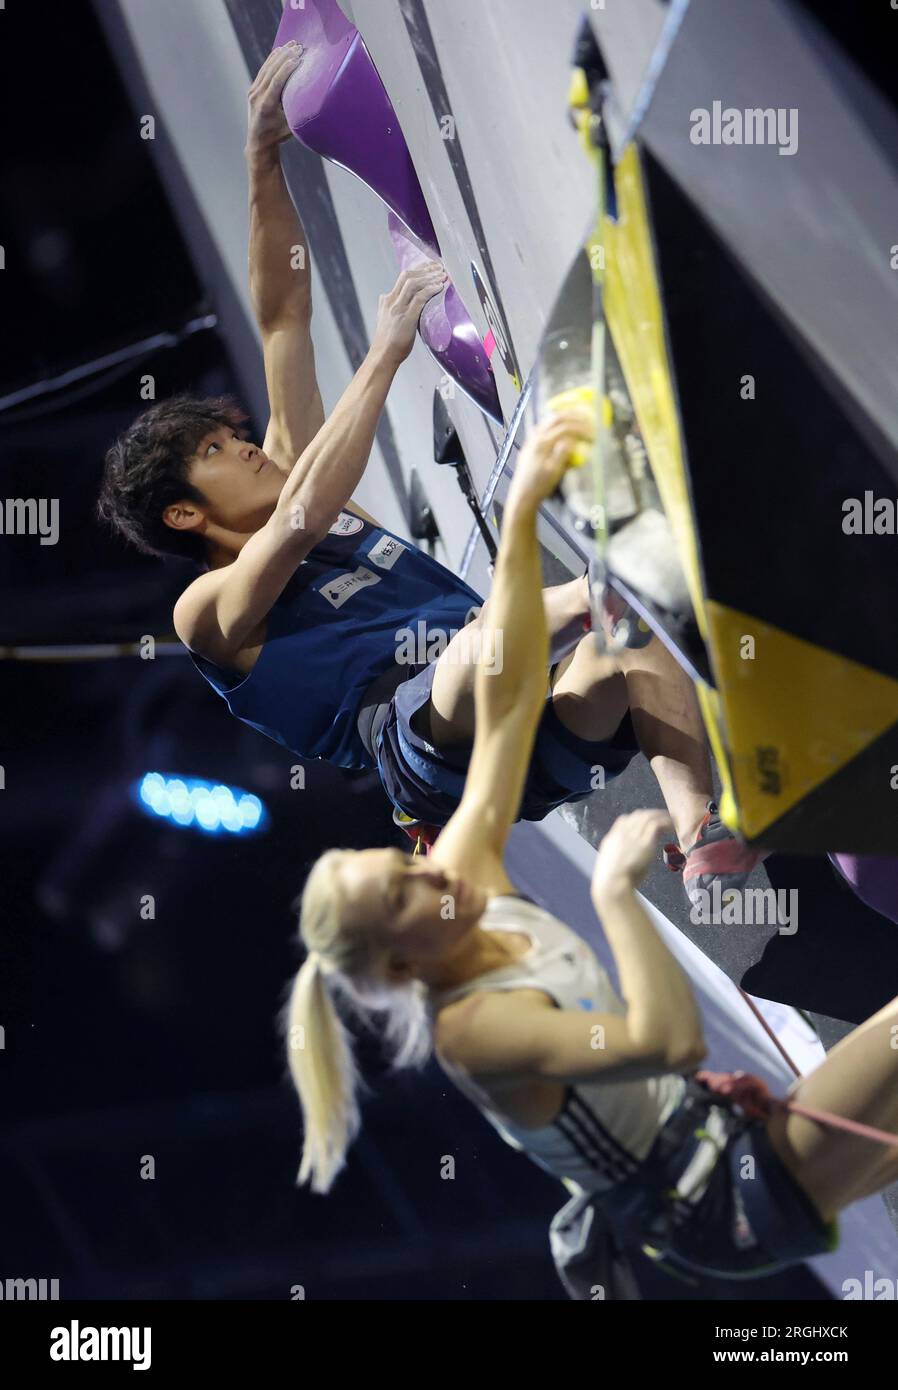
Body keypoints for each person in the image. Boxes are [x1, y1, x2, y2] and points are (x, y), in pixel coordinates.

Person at [97, 44, 758, 901]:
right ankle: (611, 592)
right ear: (186, 515)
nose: (246, 445)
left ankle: (700, 835)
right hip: (429, 751)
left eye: (231, 435)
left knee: (627, 652)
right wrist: (384, 354)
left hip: (527, 733)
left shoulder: (299, 467)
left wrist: (264, 157)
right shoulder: (208, 613)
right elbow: (299, 522)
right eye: (216, 453)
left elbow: (283, 318)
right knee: (485, 643)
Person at [285, 410, 898, 1293]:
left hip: (722, 1138)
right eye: (404, 894)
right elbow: (667, 1037)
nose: (428, 872)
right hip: (715, 1198)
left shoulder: (462, 883)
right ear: (396, 963)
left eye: (401, 863)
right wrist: (615, 895)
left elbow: (499, 710)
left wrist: (527, 514)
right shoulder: (474, 1029)